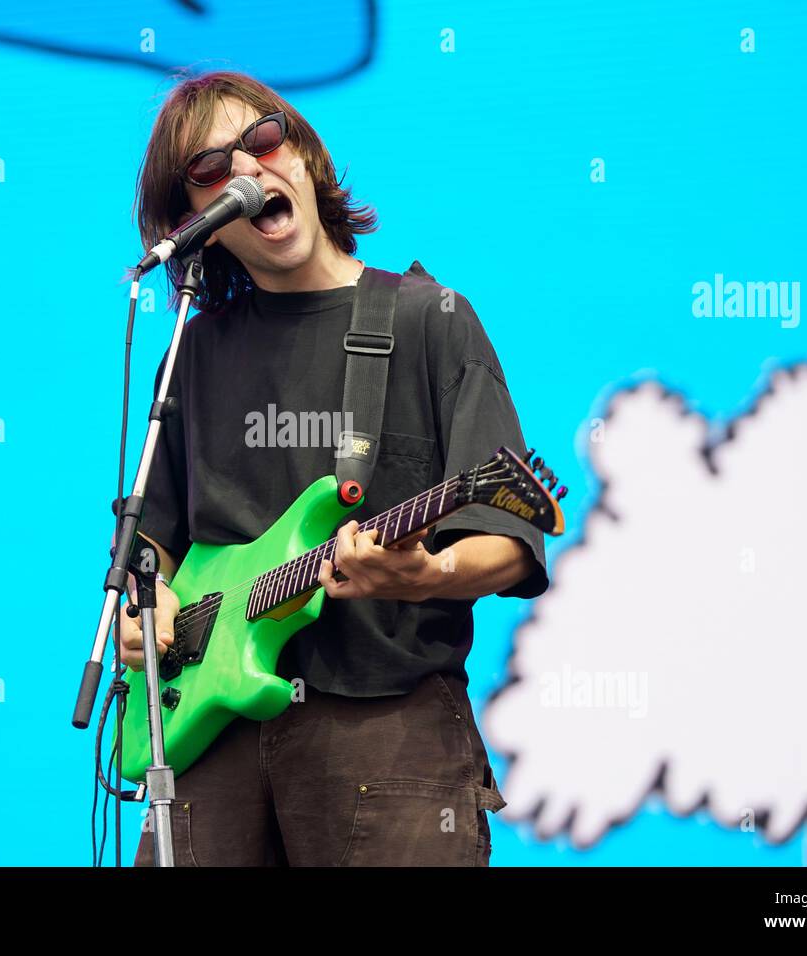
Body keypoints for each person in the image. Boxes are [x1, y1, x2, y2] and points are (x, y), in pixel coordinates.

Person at [126, 71, 549, 866]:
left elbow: (509, 530)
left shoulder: (432, 320)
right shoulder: (194, 350)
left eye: (262, 141)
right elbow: (155, 544)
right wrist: (142, 606)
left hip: (382, 731)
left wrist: (423, 576)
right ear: (197, 223)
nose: (247, 173)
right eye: (212, 171)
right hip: (208, 736)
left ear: (307, 157)